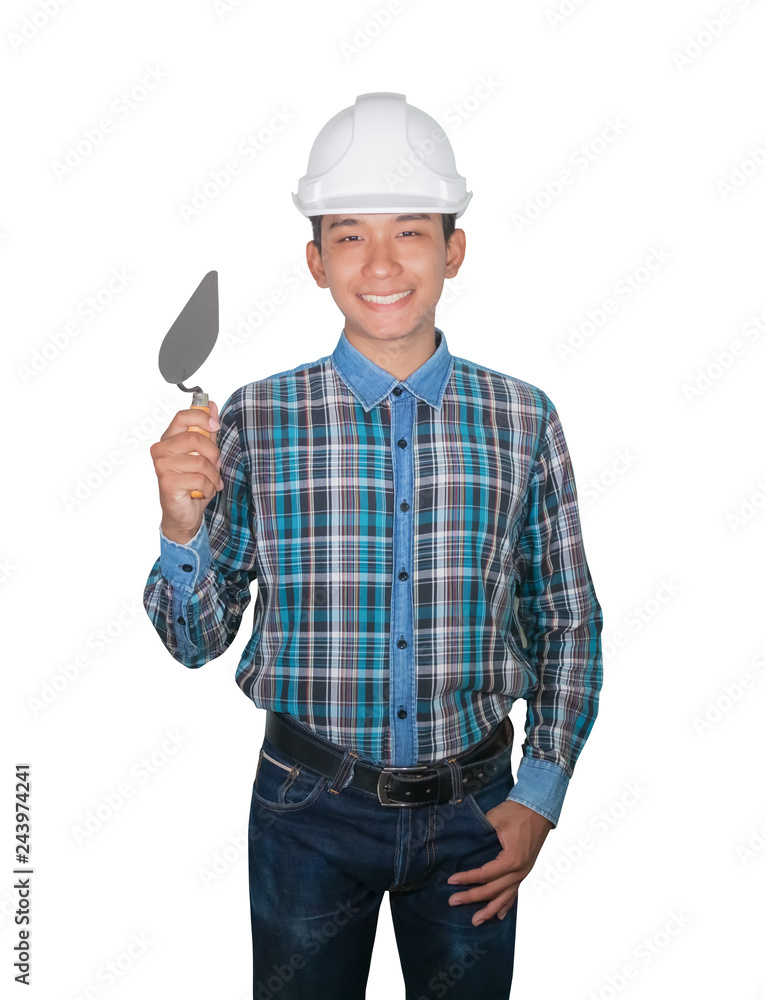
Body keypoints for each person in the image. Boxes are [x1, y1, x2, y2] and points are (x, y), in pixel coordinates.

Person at [144, 92, 603, 1000]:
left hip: (476, 811)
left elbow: (568, 621)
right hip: (305, 812)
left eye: (412, 233)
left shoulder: (522, 419)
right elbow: (194, 642)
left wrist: (538, 799)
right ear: (315, 262)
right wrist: (180, 527)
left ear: (453, 250)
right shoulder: (252, 420)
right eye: (350, 235)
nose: (382, 263)